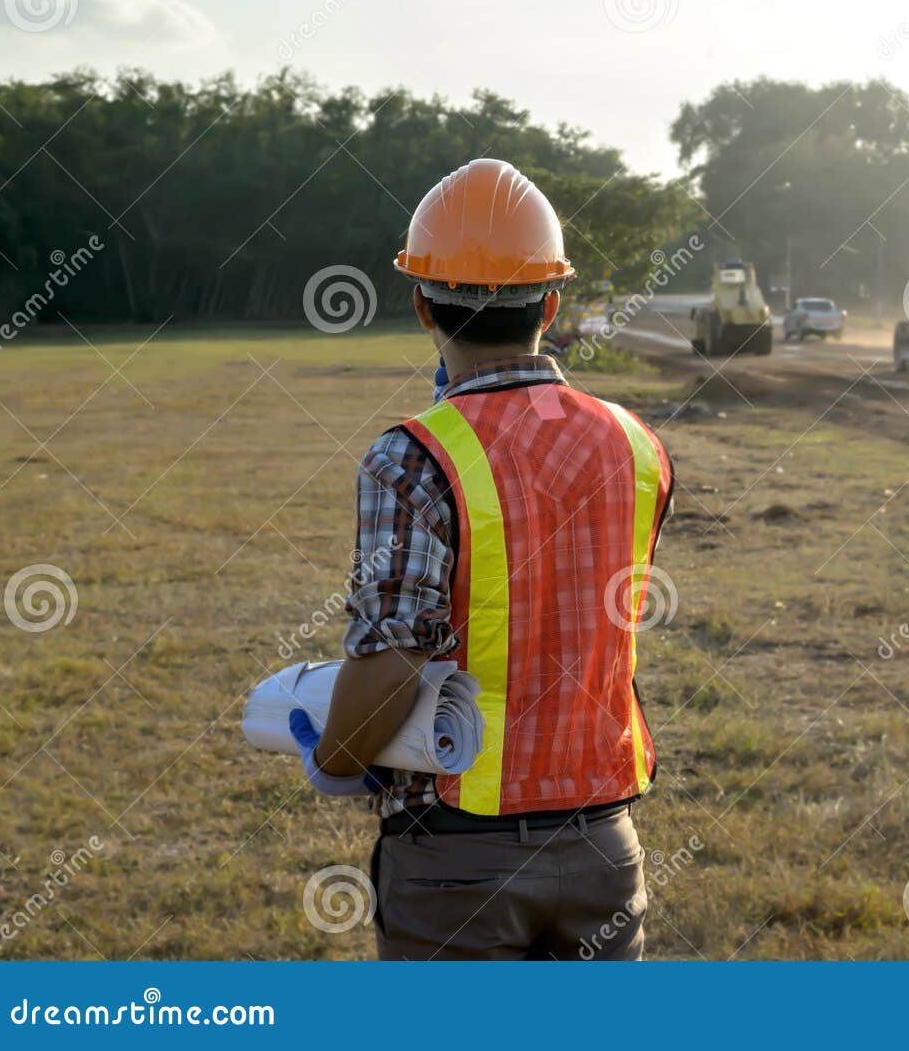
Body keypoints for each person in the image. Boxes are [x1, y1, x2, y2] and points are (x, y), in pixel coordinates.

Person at [287, 158, 674, 960]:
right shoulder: (637, 444)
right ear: (554, 303)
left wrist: (335, 757)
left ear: (422, 303)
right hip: (606, 847)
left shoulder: (412, 457)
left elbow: (396, 656)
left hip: (457, 861)